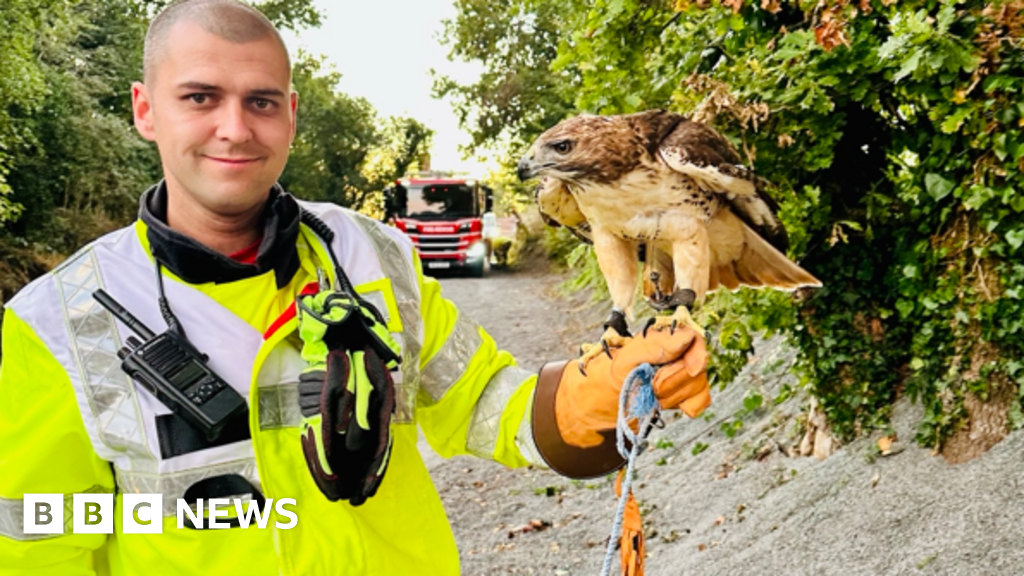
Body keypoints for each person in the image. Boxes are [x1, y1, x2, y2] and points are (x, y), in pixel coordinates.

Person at [0, 1, 711, 574]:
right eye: (200, 97)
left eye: (261, 101)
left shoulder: (370, 251)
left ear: (291, 113)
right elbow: (34, 538)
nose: (234, 127)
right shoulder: (55, 325)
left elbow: (483, 402)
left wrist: (593, 398)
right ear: (145, 110)